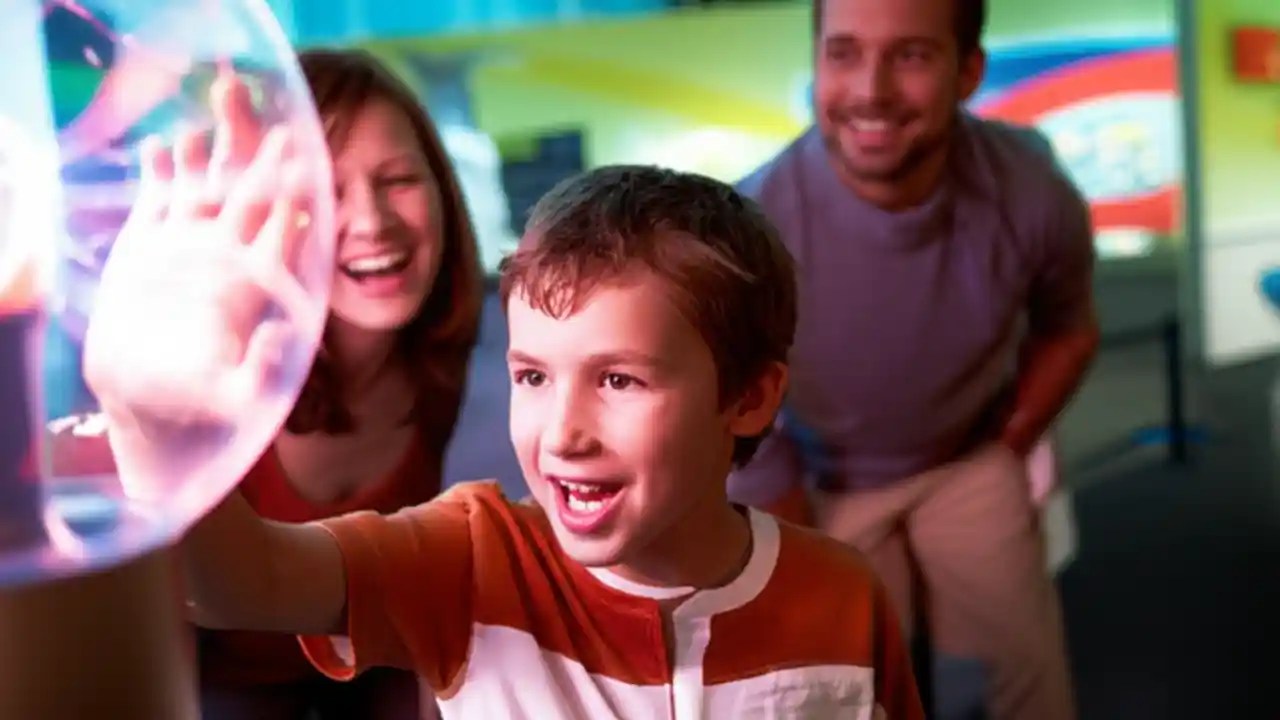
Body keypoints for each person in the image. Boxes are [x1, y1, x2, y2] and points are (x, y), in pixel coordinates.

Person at [82, 79, 925, 716]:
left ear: (749, 396)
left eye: (620, 379)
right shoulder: (470, 556)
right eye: (532, 376)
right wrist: (154, 424)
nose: (562, 433)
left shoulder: (846, 598)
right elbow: (238, 581)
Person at [50, 48, 483, 719]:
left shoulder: (474, 368)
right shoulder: (207, 379)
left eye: (398, 180)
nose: (371, 222)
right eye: (327, 191)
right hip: (219, 686)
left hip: (371, 669)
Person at [726, 1, 1100, 719]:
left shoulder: (1030, 188)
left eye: (911, 56)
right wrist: (797, 552)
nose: (870, 91)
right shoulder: (755, 223)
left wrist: (1008, 443)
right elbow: (739, 413)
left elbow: (1069, 330)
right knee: (849, 690)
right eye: (843, 53)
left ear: (969, 73)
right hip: (820, 481)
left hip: (968, 457)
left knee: (1030, 681)